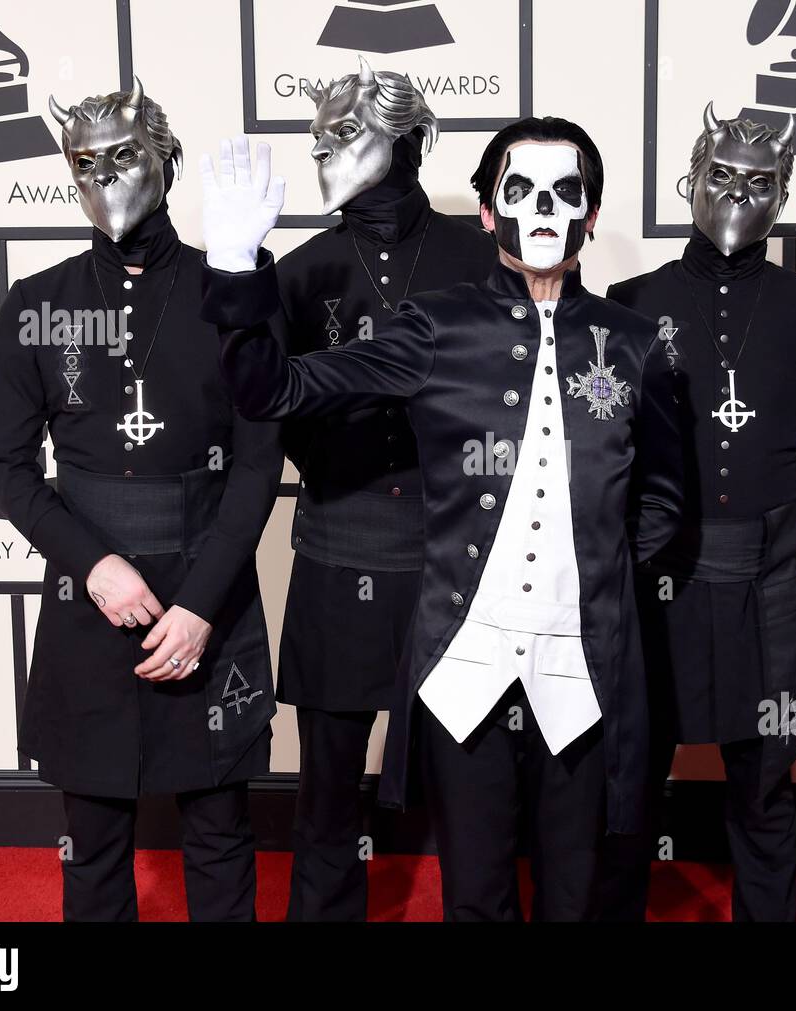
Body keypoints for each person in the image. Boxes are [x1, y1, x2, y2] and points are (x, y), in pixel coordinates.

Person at [199, 116, 683, 921]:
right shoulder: (437, 326)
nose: (543, 209)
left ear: (592, 215)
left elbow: (666, 496)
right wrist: (235, 268)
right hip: (468, 669)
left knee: (578, 891)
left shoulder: (635, 343)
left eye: (567, 193)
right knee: (476, 894)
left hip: (587, 666)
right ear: (488, 213)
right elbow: (269, 390)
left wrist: (594, 572)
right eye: (518, 190)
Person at [0, 78, 282, 921]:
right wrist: (96, 564)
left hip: (208, 589)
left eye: (123, 155)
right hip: (89, 596)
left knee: (220, 831)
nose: (104, 175)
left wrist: (199, 606)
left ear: (166, 160)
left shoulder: (240, 288)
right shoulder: (38, 302)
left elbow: (259, 463)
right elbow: (2, 460)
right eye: (84, 161)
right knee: (94, 837)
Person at [267, 58, 495, 922]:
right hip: (339, 547)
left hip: (465, 557)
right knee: (327, 780)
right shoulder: (297, 272)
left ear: (414, 140)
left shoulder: (484, 254)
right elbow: (270, 409)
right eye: (318, 135)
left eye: (349, 132)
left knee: (475, 785)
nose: (327, 150)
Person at [601, 107, 796, 921]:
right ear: (691, 179)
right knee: (631, 769)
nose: (738, 193)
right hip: (658, 567)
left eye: (760, 181)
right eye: (722, 175)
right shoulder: (630, 300)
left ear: (783, 195)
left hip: (769, 569)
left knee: (766, 771)